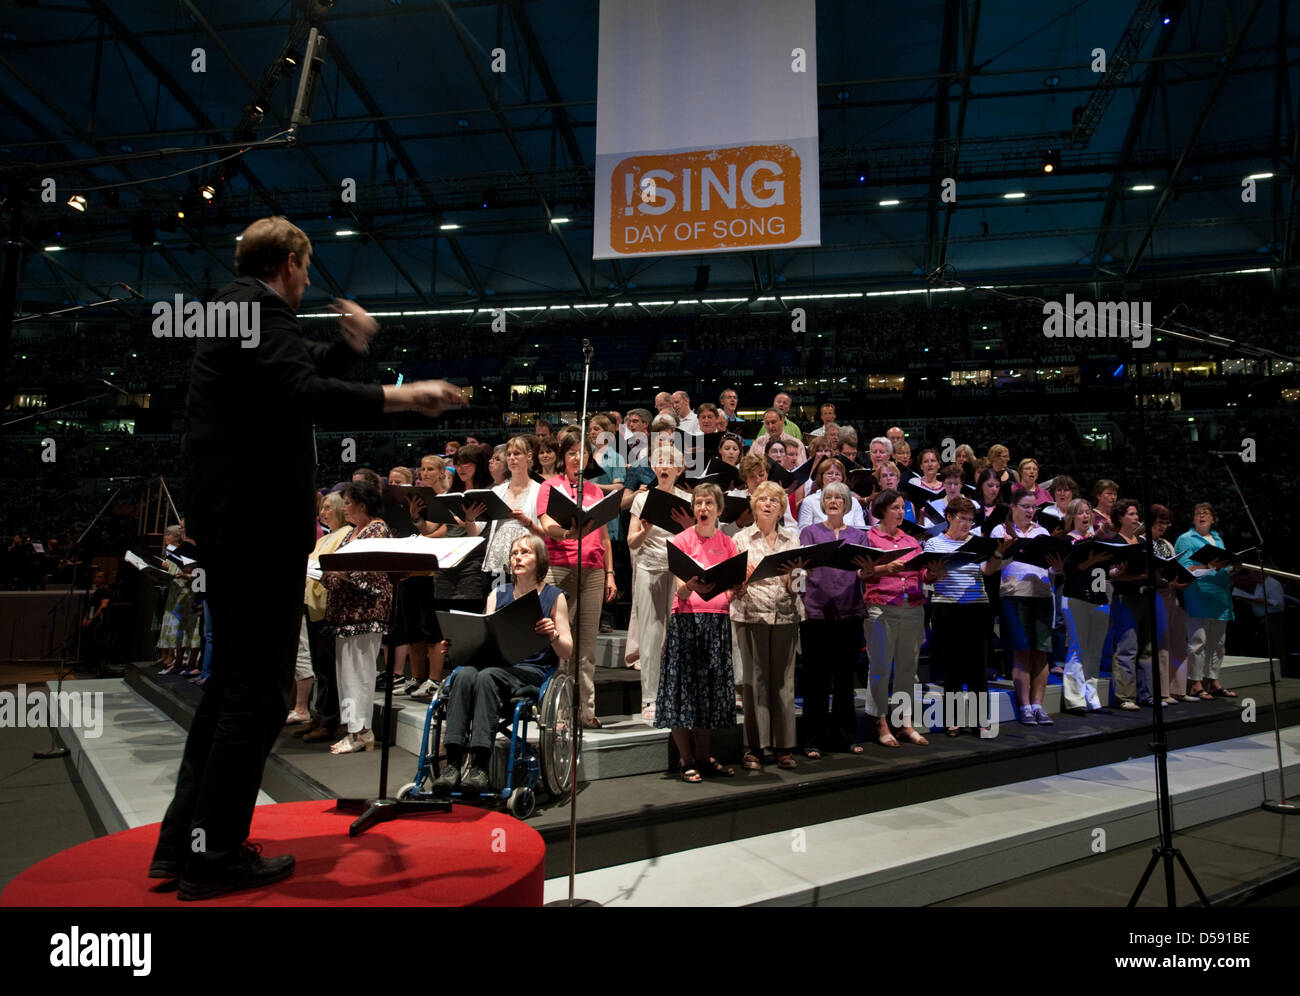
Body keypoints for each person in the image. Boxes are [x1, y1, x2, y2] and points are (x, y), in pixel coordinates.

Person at [150, 215, 463, 900]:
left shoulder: (232, 311)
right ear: (289, 261)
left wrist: (349, 347)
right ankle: (214, 855)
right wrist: (402, 396)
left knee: (233, 683)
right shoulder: (258, 308)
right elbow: (303, 393)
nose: (311, 277)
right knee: (259, 692)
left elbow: (296, 378)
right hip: (254, 525)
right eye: (309, 263)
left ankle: (186, 844)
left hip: (231, 525)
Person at [432, 535, 572, 795]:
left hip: (532, 671)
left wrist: (552, 634)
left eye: (525, 553)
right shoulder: (498, 594)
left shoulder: (554, 597)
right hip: (496, 665)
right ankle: (452, 763)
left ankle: (480, 766)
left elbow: (567, 650)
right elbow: (483, 640)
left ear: (539, 559)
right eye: (514, 553)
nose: (517, 557)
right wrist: (457, 645)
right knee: (463, 675)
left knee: (487, 677)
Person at [657, 483, 740, 781]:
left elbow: (733, 586)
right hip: (688, 621)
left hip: (716, 621)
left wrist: (730, 593)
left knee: (708, 691)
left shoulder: (727, 543)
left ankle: (704, 756)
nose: (702, 508)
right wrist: (691, 585)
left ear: (719, 509)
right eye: (698, 503)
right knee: (684, 691)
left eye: (708, 503)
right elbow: (679, 590)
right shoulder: (680, 540)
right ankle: (686, 758)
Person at [538, 430, 619, 727]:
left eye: (581, 453)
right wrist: (569, 534)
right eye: (571, 453)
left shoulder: (596, 491)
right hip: (559, 567)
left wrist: (610, 573)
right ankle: (557, 710)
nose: (576, 458)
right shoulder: (549, 487)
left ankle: (585, 710)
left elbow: (604, 537)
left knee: (586, 646)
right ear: (564, 458)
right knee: (560, 642)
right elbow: (546, 524)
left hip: (593, 570)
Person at [860, 489, 944, 747]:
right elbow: (861, 574)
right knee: (881, 667)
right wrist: (886, 568)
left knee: (908, 668)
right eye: (895, 508)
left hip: (912, 606)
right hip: (883, 607)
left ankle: (904, 721)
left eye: (902, 508)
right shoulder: (870, 538)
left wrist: (933, 573)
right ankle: (880, 720)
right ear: (883, 509)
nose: (900, 513)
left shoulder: (911, 540)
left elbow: (923, 576)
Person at [731, 481, 805, 770]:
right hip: (750, 613)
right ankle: (754, 747)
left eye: (774, 500)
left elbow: (799, 586)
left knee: (784, 683)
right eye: (762, 499)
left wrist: (793, 575)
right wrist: (741, 581)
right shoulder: (741, 539)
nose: (768, 504)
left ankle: (784, 746)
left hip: (786, 614)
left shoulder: (792, 540)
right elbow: (733, 584)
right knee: (754, 682)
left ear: (781, 507)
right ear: (754, 504)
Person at [321, 480, 393, 753]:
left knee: (359, 673)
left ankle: (362, 731)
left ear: (362, 505)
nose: (345, 508)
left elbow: (372, 572)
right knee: (346, 674)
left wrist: (344, 575)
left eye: (349, 503)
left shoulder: (377, 529)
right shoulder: (353, 532)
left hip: (365, 611)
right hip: (344, 612)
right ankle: (353, 729)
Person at [925, 496, 1007, 735]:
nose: (967, 524)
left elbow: (987, 571)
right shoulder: (934, 544)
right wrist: (936, 571)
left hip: (976, 606)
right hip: (947, 607)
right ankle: (953, 718)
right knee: (951, 664)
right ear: (949, 517)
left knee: (977, 665)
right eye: (962, 519)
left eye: (971, 520)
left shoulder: (978, 543)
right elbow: (928, 578)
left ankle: (980, 718)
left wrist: (998, 554)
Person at [797, 481, 866, 756]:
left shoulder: (858, 536)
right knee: (817, 680)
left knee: (844, 679)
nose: (834, 501)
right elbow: (799, 572)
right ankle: (812, 739)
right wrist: (802, 574)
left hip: (849, 611)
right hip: (816, 612)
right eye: (829, 497)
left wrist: (871, 571)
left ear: (847, 503)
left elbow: (862, 574)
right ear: (822, 502)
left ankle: (847, 737)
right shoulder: (810, 532)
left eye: (839, 497)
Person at [627, 446, 694, 721]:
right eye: (660, 462)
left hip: (679, 570)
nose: (664, 466)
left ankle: (679, 693)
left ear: (680, 470)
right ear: (654, 468)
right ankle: (650, 699)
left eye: (670, 462)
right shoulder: (642, 500)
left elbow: (698, 538)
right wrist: (646, 530)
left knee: (680, 633)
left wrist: (690, 524)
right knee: (651, 634)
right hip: (649, 567)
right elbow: (631, 541)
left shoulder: (689, 499)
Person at [990, 486, 1058, 725]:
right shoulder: (1002, 530)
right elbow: (994, 567)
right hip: (1014, 595)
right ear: (1014, 507)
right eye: (1026, 507)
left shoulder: (1043, 531)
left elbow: (1053, 569)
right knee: (1022, 650)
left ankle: (1039, 705)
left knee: (1041, 651)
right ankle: (1025, 705)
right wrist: (1006, 549)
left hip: (1041, 595)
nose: (1030, 511)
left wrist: (1058, 565)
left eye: (1033, 507)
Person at [1176, 502, 1236, 700]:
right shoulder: (1186, 539)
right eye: (1198, 513)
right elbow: (1184, 567)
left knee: (1218, 643)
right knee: (1198, 641)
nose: (1201, 516)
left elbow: (1224, 563)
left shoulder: (1217, 538)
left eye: (1206, 513)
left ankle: (1213, 680)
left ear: (1213, 518)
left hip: (1220, 594)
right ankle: (1195, 683)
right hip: (1199, 593)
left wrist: (1230, 567)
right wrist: (1207, 565)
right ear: (1193, 519)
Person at [1058, 498, 1112, 713]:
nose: (1085, 516)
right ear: (1071, 517)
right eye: (1080, 513)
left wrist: (1116, 571)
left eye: (1088, 512)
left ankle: (1091, 694)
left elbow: (1103, 571)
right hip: (1076, 599)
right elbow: (1070, 568)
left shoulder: (1097, 540)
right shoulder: (1067, 540)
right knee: (1078, 649)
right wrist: (1089, 560)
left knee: (1095, 651)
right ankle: (1074, 698)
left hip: (1099, 599)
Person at [799, 456, 867, 529]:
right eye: (829, 473)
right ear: (821, 477)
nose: (834, 477)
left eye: (837, 474)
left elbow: (861, 530)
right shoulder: (810, 501)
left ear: (842, 478)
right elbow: (803, 531)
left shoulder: (853, 502)